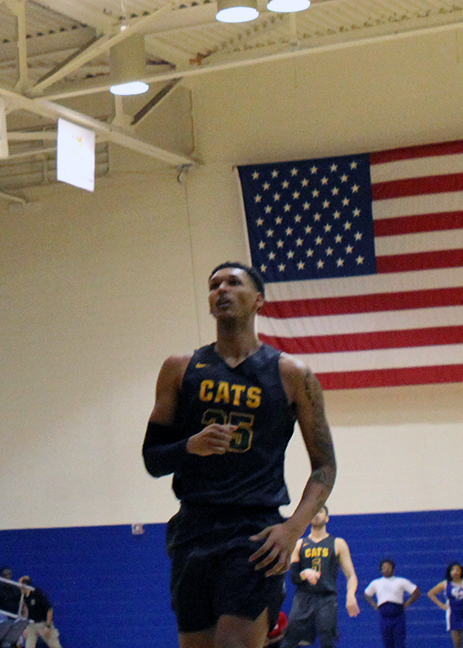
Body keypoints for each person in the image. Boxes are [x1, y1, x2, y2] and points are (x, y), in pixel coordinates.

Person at [142, 262, 339, 648]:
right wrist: (190, 446)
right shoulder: (179, 369)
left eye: (234, 283)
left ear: (259, 300)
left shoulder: (292, 374)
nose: (222, 290)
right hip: (193, 526)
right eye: (214, 285)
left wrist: (293, 528)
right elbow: (153, 460)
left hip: (254, 529)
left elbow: (325, 467)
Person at [284, 508, 359, 648]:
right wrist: (305, 573)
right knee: (290, 639)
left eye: (320, 512)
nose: (316, 515)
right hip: (303, 597)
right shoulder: (299, 544)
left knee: (327, 639)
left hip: (326, 598)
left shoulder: (338, 543)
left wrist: (350, 595)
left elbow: (351, 576)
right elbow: (294, 577)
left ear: (327, 518)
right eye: (314, 512)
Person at [427, 563, 463, 648]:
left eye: (458, 570)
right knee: (457, 645)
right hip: (453, 615)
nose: (455, 572)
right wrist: (441, 605)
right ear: (450, 572)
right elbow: (431, 593)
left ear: (461, 572)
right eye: (453, 570)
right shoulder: (445, 584)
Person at [364, 561, 419, 648]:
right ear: (381, 569)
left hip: (398, 616)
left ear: (393, 569)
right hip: (384, 617)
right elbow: (366, 594)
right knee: (387, 642)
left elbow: (416, 592)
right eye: (384, 568)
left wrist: (407, 603)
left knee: (399, 642)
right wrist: (374, 604)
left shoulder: (400, 581)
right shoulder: (376, 583)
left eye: (388, 567)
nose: (386, 569)